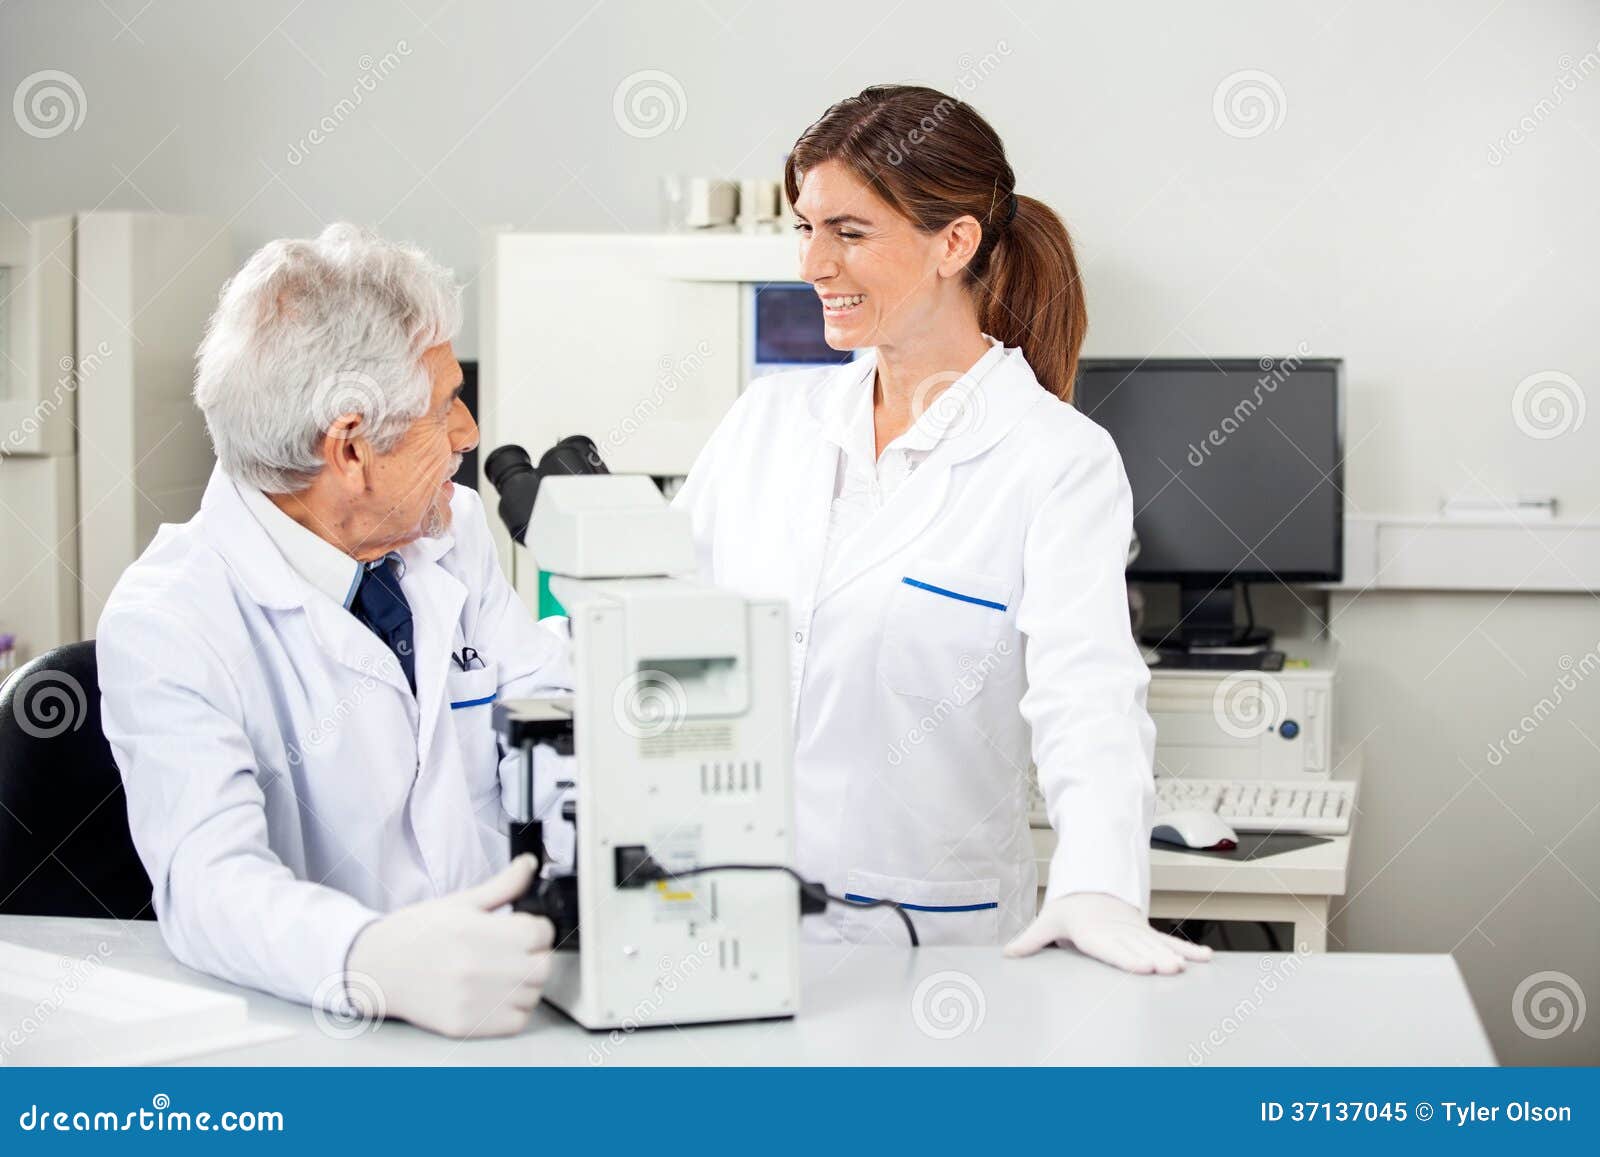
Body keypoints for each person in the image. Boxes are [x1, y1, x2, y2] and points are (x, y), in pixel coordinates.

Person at [674, 86, 1211, 974]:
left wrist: (1098, 886)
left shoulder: (1056, 460)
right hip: (729, 922)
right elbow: (648, 626)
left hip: (933, 944)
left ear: (954, 243)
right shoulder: (764, 425)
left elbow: (1089, 696)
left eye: (849, 232)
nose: (812, 264)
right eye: (804, 228)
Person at [97, 225, 567, 1037]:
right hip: (319, 1039)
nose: (469, 435)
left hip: (516, 1008)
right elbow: (210, 884)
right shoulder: (169, 620)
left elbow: (545, 706)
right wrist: (370, 957)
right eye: (446, 406)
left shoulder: (449, 535)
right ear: (350, 447)